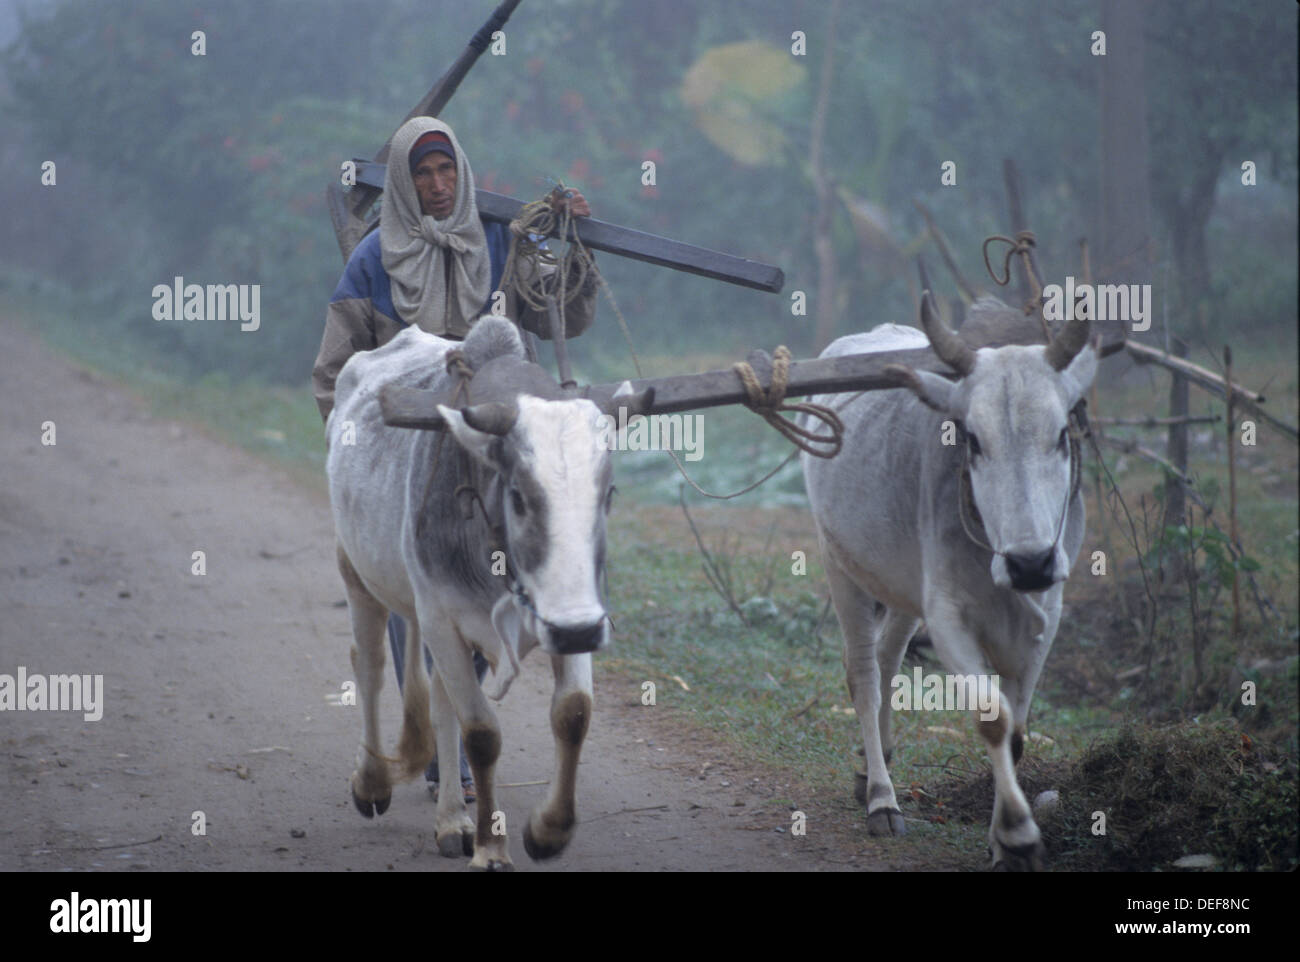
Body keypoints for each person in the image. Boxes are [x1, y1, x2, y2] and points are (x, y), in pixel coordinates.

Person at [312, 116, 597, 800]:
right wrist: (361, 452)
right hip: (411, 451)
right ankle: (454, 760)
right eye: (423, 175)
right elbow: (333, 373)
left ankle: (536, 674)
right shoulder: (372, 260)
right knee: (426, 593)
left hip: (500, 441)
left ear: (462, 175)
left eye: (447, 172)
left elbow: (569, 312)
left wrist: (574, 243)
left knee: (529, 547)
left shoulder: (501, 240)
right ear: (405, 187)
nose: (438, 187)